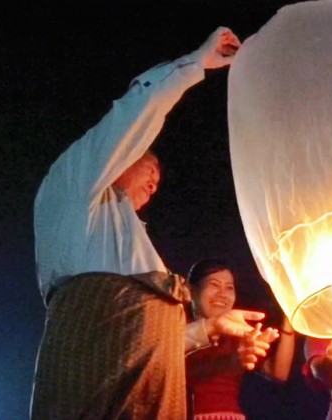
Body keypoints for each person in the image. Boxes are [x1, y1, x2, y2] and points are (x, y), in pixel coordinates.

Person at [31, 27, 274, 419]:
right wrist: (196, 63)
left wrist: (209, 330)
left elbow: (143, 341)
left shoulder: (130, 240)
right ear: (127, 152)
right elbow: (134, 115)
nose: (154, 183)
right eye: (150, 167)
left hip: (151, 391)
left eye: (159, 180)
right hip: (92, 374)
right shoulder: (75, 186)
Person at [184, 258, 296, 420]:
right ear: (191, 291)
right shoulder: (175, 331)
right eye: (214, 285)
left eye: (229, 287)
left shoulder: (237, 336)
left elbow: (278, 373)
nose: (222, 294)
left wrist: (290, 316)